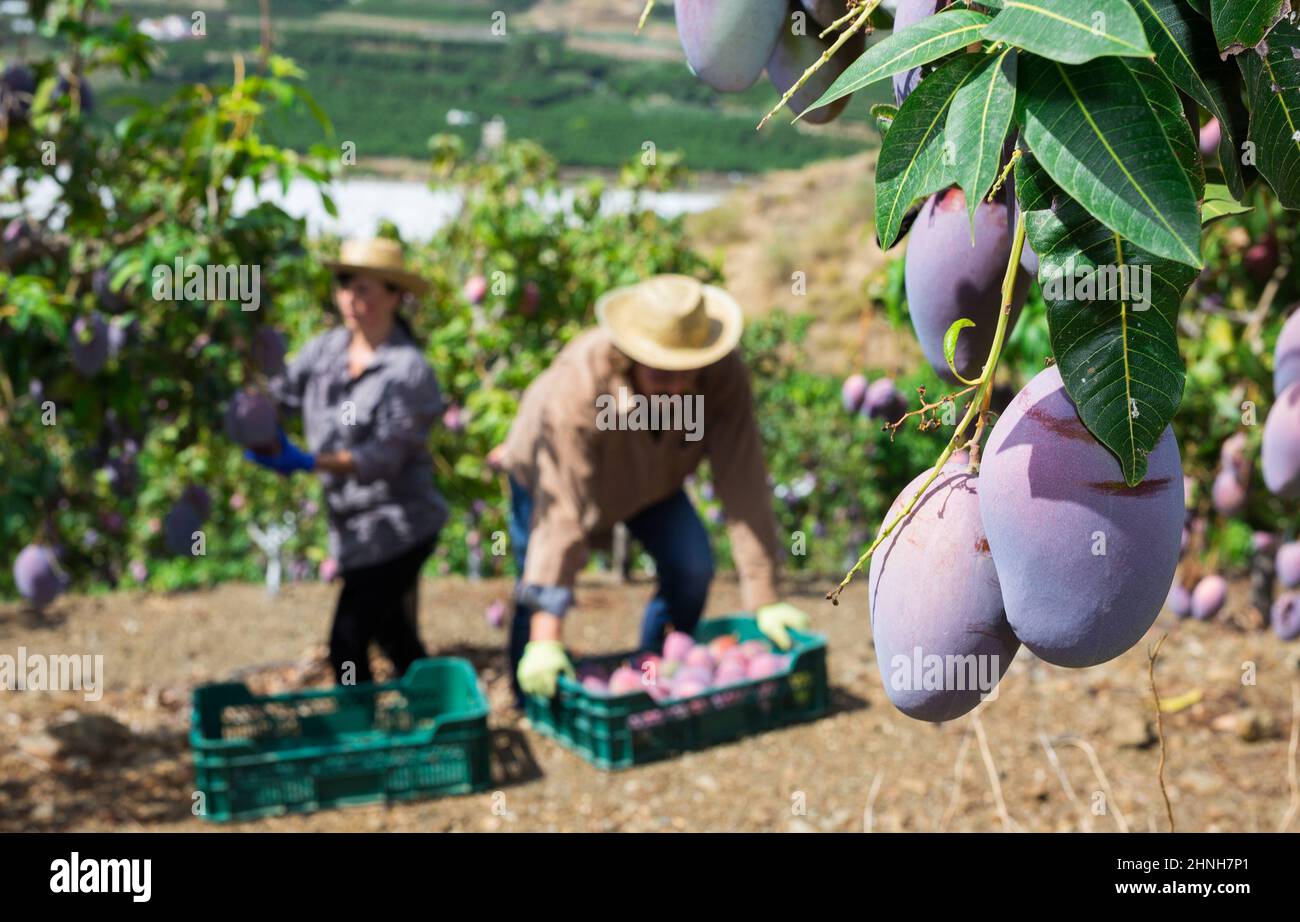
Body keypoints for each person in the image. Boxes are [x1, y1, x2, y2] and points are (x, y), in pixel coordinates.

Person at [497, 274, 810, 704]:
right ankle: (532, 699)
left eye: (688, 372)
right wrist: (547, 636)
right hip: (551, 482)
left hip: (654, 480)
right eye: (664, 374)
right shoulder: (581, 385)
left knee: (692, 567)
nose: (679, 387)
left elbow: (744, 477)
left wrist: (764, 594)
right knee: (536, 590)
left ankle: (655, 673)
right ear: (630, 356)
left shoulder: (722, 375)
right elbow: (562, 509)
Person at [246, 237, 448, 686]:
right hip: (354, 529)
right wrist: (256, 413)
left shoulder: (408, 370)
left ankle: (361, 737)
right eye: (344, 285)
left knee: (347, 643)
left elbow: (384, 458)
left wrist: (307, 460)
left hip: (400, 527)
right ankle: (441, 714)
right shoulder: (326, 351)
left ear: (395, 297)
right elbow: (282, 394)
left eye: (364, 289)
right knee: (394, 636)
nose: (350, 299)